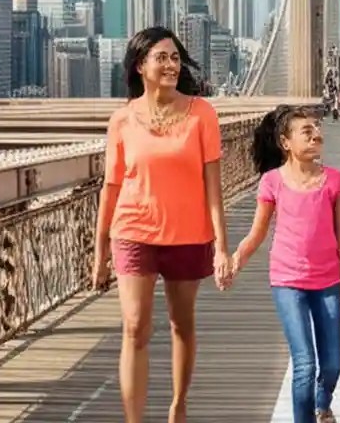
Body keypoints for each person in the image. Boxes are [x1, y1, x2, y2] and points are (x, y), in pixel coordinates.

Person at [91, 26, 234, 423]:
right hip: (133, 231)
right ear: (141, 66)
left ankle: (178, 405)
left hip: (188, 234)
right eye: (162, 58)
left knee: (180, 324)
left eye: (175, 57)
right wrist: (99, 254)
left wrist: (222, 247)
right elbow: (110, 187)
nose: (172, 65)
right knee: (135, 326)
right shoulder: (121, 120)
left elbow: (213, 189)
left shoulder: (202, 113)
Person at [231, 105, 340, 423]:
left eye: (317, 129)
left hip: (328, 281)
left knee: (331, 364)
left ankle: (322, 402)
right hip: (287, 280)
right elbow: (257, 233)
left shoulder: (333, 182)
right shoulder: (272, 182)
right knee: (305, 363)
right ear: (286, 143)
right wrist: (236, 260)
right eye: (307, 131)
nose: (317, 134)